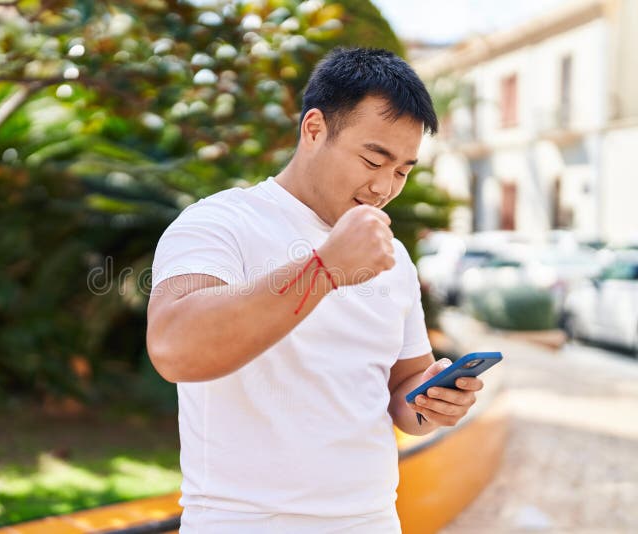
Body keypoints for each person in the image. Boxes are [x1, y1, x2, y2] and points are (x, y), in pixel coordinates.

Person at [146, 47, 484, 533]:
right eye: (374, 159)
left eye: (403, 171)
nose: (384, 187)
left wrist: (432, 404)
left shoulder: (393, 257)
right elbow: (175, 350)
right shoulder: (218, 223)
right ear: (314, 129)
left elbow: (401, 390)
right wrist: (325, 268)